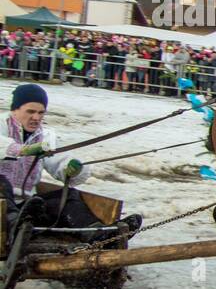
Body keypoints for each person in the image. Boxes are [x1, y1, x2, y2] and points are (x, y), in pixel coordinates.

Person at [0, 83, 139, 236]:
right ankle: (13, 227)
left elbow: (58, 159)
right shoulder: (2, 125)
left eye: (41, 113)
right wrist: (23, 149)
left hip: (28, 206)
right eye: (30, 112)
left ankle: (98, 234)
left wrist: (72, 168)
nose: (36, 118)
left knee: (68, 197)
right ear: (14, 110)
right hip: (3, 206)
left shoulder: (45, 136)